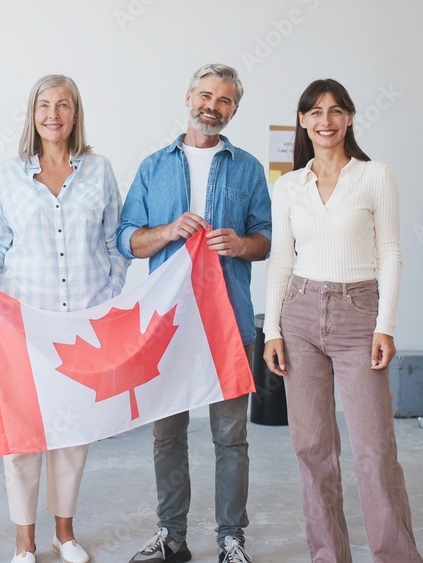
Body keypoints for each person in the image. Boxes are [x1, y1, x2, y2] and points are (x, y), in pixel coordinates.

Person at [0, 74, 129, 563]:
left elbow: (116, 241)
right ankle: (24, 541)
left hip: (80, 326)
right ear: (32, 114)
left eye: (64, 105)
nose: (53, 115)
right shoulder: (11, 174)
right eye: (44, 106)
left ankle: (65, 534)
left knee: (73, 433)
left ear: (76, 113)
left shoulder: (99, 169)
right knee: (23, 434)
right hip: (24, 324)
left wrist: (109, 294)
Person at [262, 78, 423, 562]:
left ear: (349, 117)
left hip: (359, 316)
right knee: (312, 451)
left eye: (335, 111)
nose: (325, 121)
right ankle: (328, 555)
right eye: (315, 112)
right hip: (300, 315)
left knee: (374, 452)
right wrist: (272, 330)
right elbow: (280, 261)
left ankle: (395, 555)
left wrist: (385, 325)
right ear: (302, 121)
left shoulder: (375, 176)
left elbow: (391, 252)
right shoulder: (289, 185)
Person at [117, 64, 271, 563]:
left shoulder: (247, 168)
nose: (212, 106)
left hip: (228, 321)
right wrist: (166, 232)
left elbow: (267, 239)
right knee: (167, 436)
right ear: (188, 98)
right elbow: (127, 239)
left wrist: (243, 244)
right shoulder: (153, 167)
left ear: (233, 110)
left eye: (224, 100)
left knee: (231, 436)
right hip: (168, 324)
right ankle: (172, 537)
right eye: (206, 96)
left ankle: (231, 539)